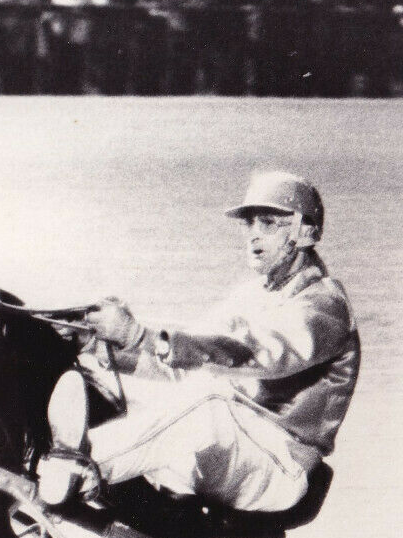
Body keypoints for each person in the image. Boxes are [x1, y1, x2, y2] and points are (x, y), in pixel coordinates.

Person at [43, 171, 360, 513]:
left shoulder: (325, 304)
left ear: (305, 232)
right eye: (249, 224)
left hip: (279, 466)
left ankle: (81, 464)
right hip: (228, 450)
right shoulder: (252, 294)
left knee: (208, 396)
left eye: (268, 223)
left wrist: (137, 335)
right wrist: (102, 348)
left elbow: (254, 354)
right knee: (105, 370)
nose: (253, 235)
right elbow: (186, 365)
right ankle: (42, 442)